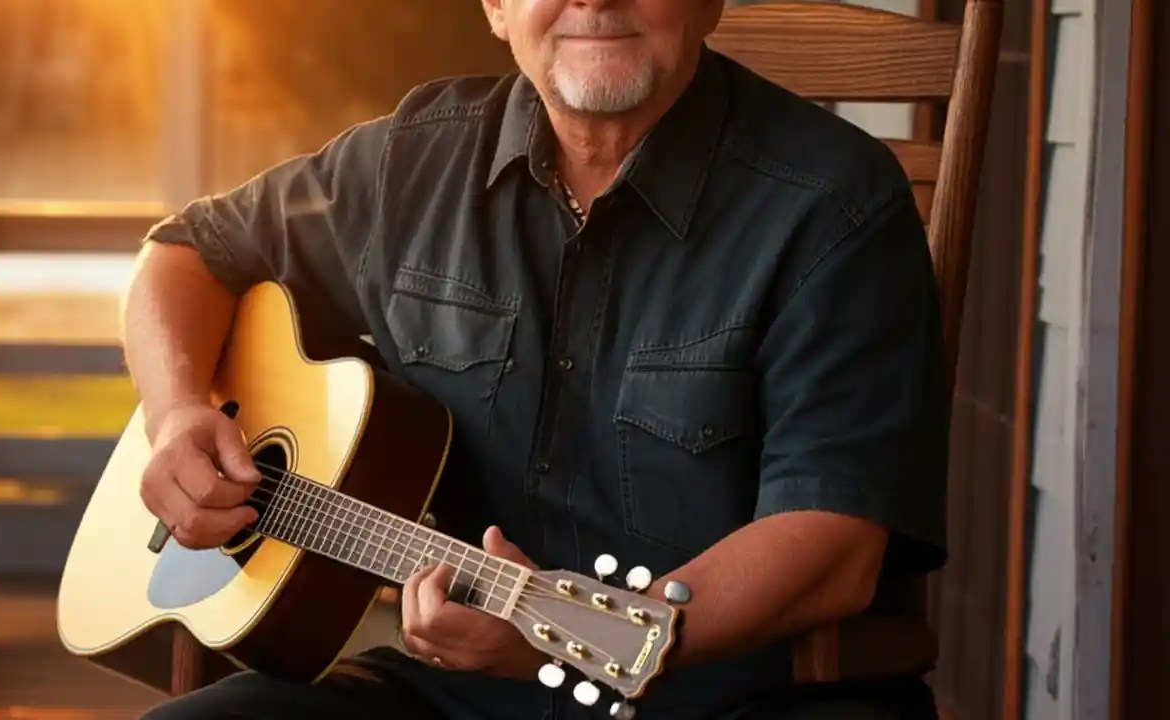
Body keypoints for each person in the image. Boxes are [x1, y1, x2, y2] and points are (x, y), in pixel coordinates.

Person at [127, 0, 949, 717]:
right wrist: (178, 415)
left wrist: (574, 644)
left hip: (739, 696)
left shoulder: (835, 204)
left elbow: (833, 548)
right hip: (457, 693)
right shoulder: (409, 166)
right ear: (494, 5)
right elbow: (186, 252)